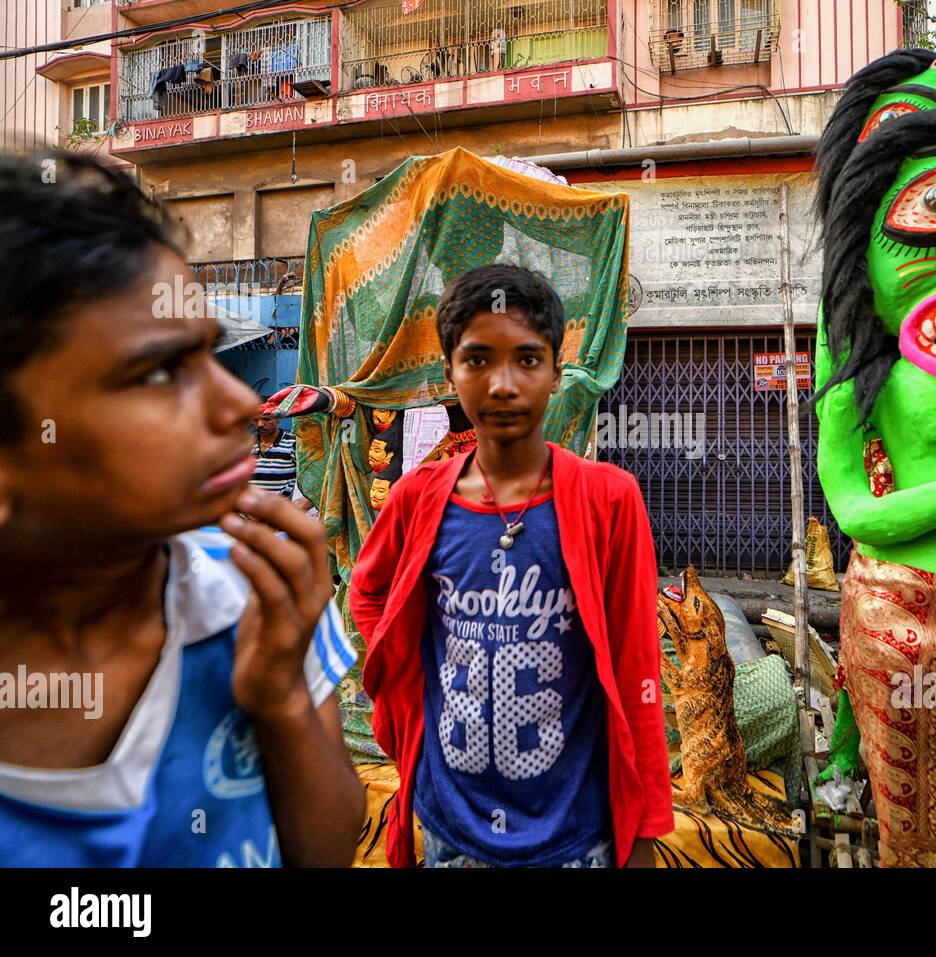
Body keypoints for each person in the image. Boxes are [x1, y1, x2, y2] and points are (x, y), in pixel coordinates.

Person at [0, 151, 364, 867]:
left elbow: (326, 849)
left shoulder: (253, 593)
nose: (236, 405)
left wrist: (282, 697)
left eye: (209, 357)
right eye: (161, 372)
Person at [349, 263, 673, 868]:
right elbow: (368, 594)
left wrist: (646, 829)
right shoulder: (418, 498)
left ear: (555, 371)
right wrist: (411, 674)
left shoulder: (610, 500)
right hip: (451, 827)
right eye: (478, 360)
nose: (502, 384)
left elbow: (637, 669)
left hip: (576, 834)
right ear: (449, 372)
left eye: (527, 359)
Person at [250, 404, 299, 499]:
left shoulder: (293, 444)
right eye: (255, 420)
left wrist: (302, 505)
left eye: (266, 419)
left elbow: (317, 480)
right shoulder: (245, 446)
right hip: (246, 511)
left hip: (279, 511)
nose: (260, 424)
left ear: (278, 419)